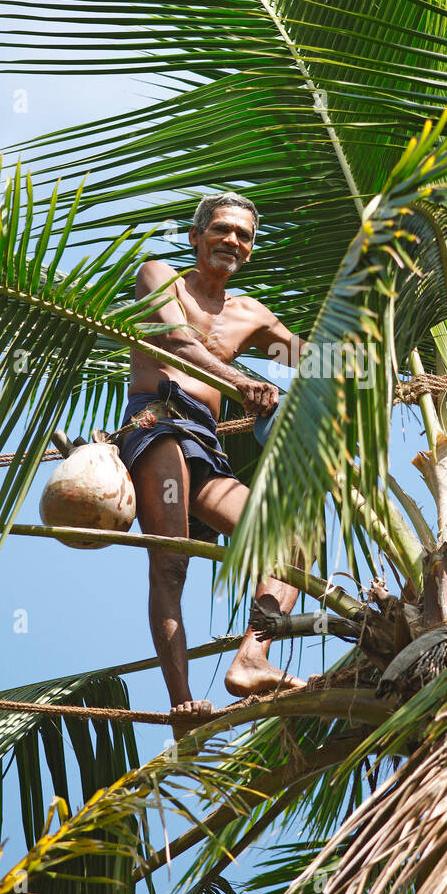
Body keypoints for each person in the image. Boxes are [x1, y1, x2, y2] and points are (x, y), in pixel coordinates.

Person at [118, 192, 306, 722]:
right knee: (171, 562)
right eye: (222, 230)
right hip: (158, 423)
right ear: (196, 235)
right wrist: (242, 381)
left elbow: (308, 359)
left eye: (243, 235)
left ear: (249, 250)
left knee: (290, 540)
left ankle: (252, 657)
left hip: (208, 445)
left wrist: (377, 367)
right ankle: (182, 703)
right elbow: (176, 342)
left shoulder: (251, 316)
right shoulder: (159, 277)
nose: (232, 241)